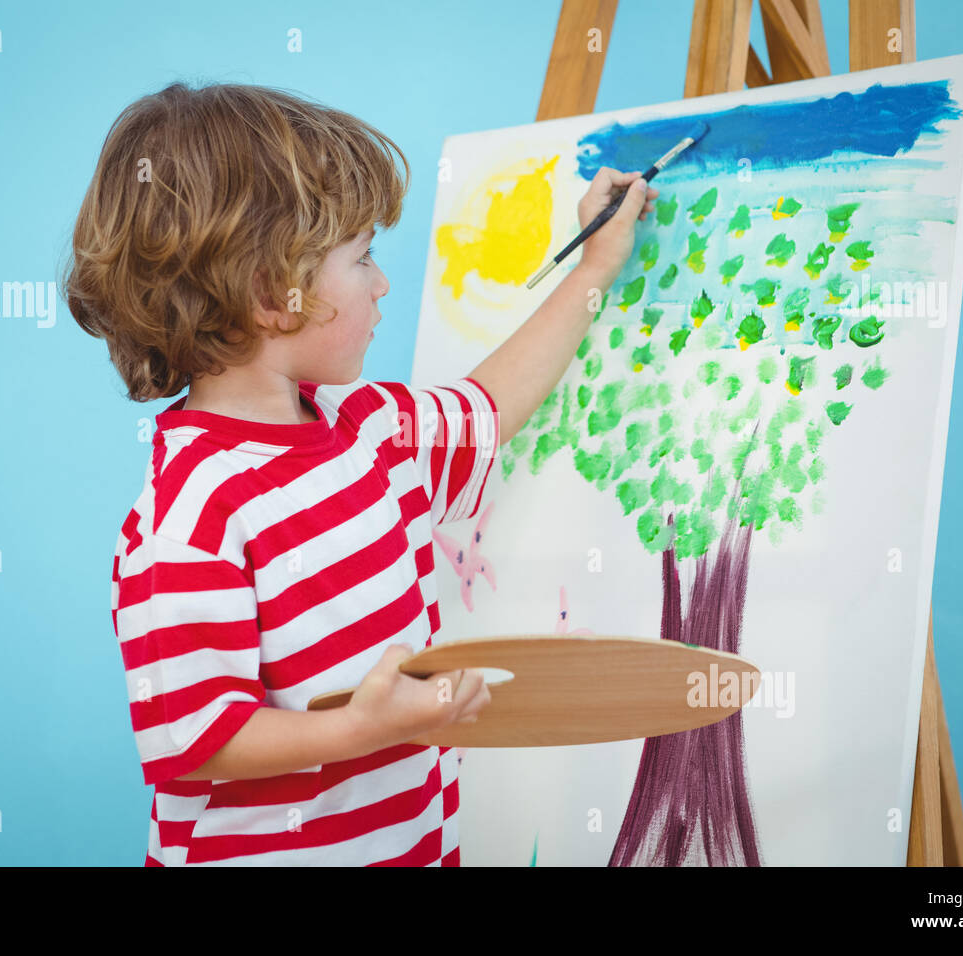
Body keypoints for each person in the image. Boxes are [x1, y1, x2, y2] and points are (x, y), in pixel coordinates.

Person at [60, 81, 657, 866]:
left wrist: (596, 267)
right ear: (278, 295)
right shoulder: (191, 515)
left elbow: (488, 408)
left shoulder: (371, 428)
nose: (382, 283)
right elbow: (196, 741)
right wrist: (365, 728)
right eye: (363, 256)